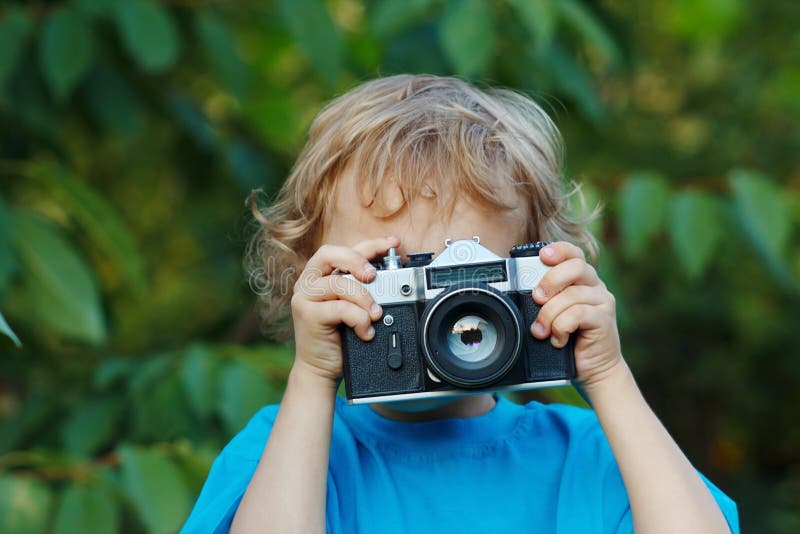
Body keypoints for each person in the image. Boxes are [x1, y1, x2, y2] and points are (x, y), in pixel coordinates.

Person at [181, 75, 739, 533]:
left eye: (464, 280)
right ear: (313, 277)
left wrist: (607, 375)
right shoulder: (284, 454)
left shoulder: (594, 457)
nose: (439, 314)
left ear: (534, 275)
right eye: (389, 273)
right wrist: (311, 377)